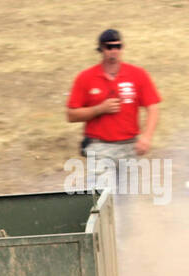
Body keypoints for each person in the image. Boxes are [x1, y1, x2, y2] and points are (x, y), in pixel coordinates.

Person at [65, 30, 162, 194]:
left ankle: (125, 221)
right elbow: (71, 115)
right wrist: (99, 109)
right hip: (99, 147)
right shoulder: (86, 77)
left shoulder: (137, 75)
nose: (114, 51)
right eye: (110, 47)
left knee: (127, 201)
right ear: (101, 49)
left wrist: (146, 137)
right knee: (103, 197)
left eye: (118, 46)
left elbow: (153, 107)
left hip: (129, 146)